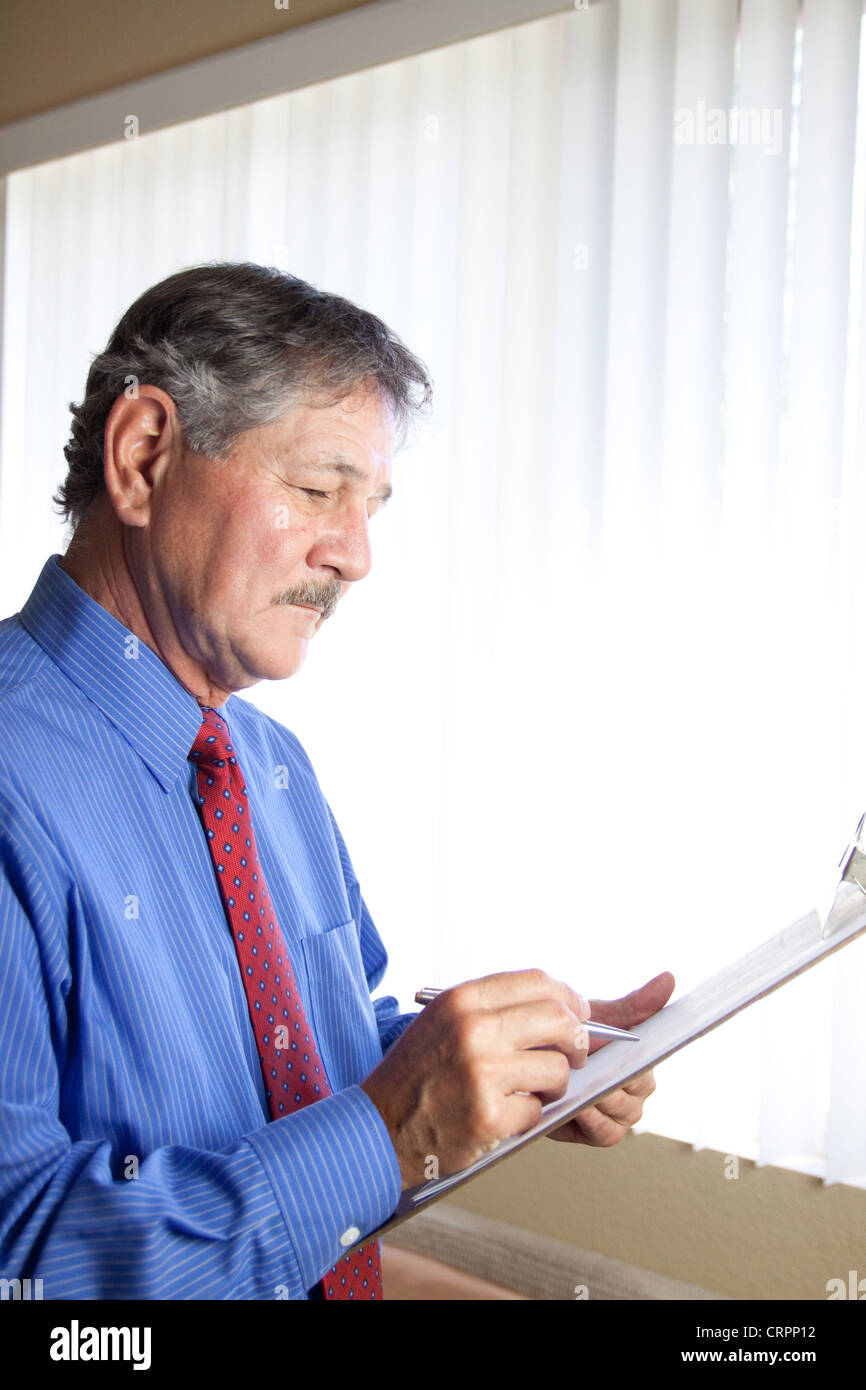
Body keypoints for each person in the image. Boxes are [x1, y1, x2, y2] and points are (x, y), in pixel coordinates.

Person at [0, 262, 674, 1300]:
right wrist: (386, 1129)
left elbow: (306, 1058)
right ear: (142, 457)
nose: (355, 555)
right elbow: (26, 1266)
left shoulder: (269, 767)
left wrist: (503, 1065)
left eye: (372, 506)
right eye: (317, 490)